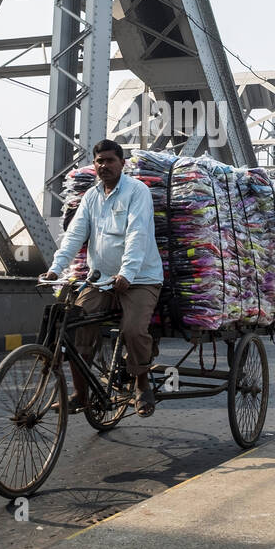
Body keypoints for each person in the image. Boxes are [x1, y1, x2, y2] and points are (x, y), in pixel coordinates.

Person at [43, 139, 163, 417]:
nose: (104, 166)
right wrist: (55, 268)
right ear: (94, 165)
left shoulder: (137, 191)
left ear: (122, 163)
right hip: (101, 279)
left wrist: (128, 273)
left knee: (133, 330)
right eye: (99, 161)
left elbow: (138, 233)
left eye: (110, 160)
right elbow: (75, 235)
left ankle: (142, 386)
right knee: (75, 325)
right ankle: (80, 394)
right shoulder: (91, 196)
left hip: (140, 278)